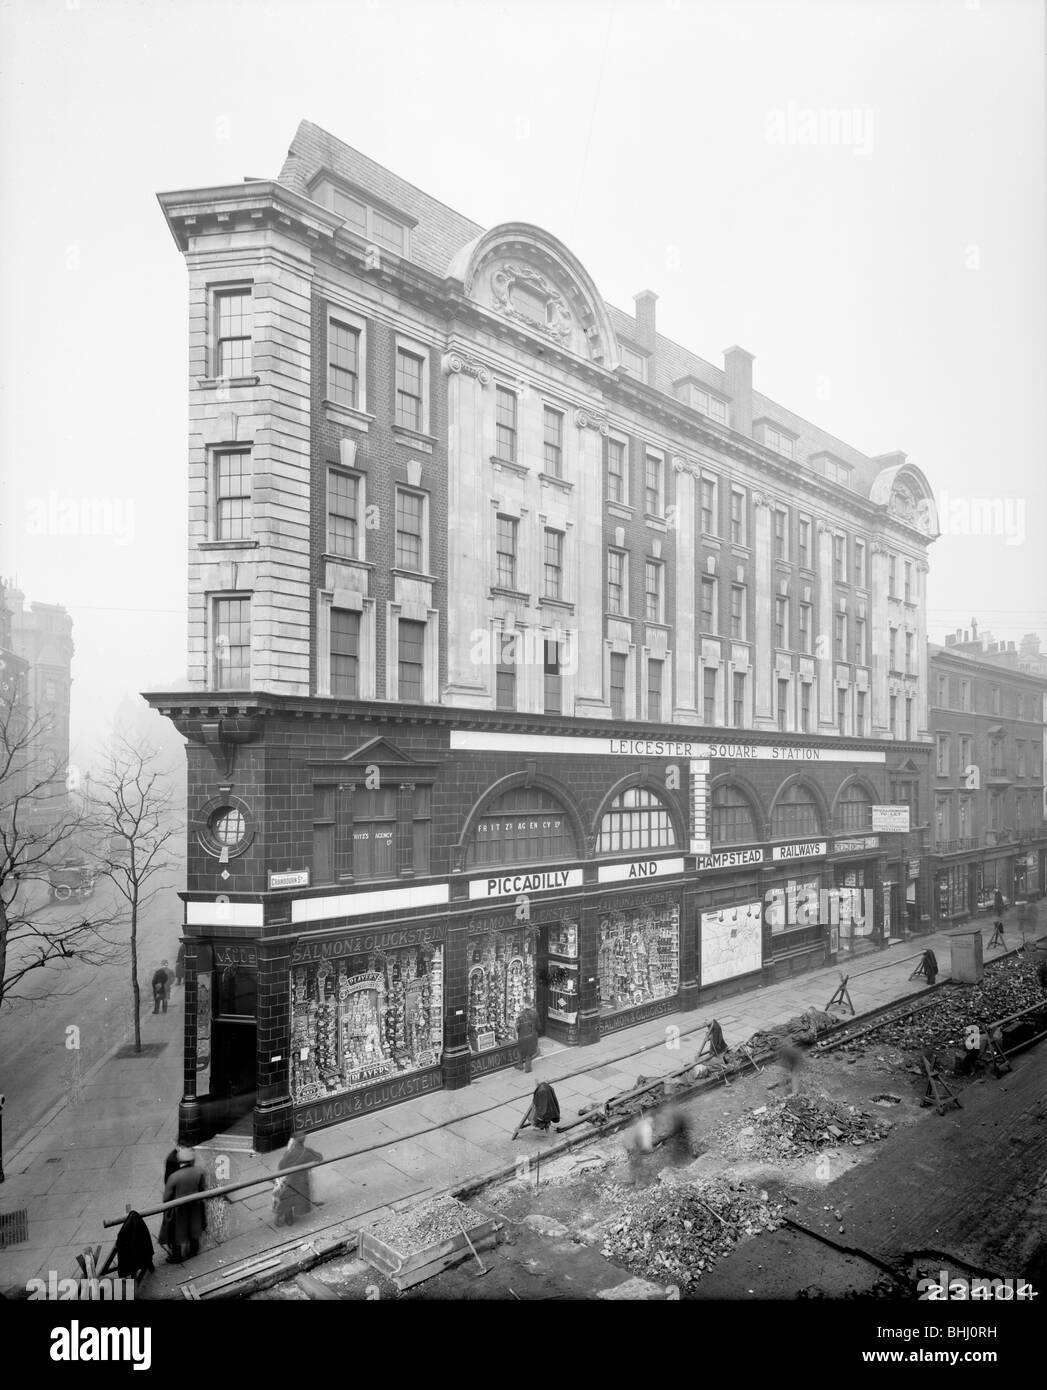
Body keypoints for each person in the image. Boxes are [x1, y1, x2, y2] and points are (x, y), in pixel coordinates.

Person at [159, 1147, 208, 1263]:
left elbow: (166, 1198)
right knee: (194, 1226)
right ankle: (194, 1249)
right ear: (192, 1161)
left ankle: (177, 1255)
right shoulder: (200, 1171)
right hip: (195, 1206)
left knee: (178, 1231)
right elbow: (203, 1188)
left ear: (180, 1161)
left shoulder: (174, 1177)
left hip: (179, 1209)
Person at [273, 1133, 323, 1227]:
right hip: (300, 1180)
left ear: (294, 1141)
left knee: (286, 1197)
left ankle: (288, 1217)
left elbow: (281, 1165)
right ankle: (289, 1218)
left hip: (287, 1179)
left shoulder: (289, 1152)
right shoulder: (307, 1152)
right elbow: (319, 1157)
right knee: (297, 1197)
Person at [514, 1003, 539, 1074]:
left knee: (519, 1050)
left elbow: (517, 1027)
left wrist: (518, 1031)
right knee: (529, 1053)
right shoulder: (535, 1013)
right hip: (532, 1035)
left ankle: (520, 1065)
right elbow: (538, 1025)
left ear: (525, 1005)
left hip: (523, 1036)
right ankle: (528, 1068)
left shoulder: (520, 1015)